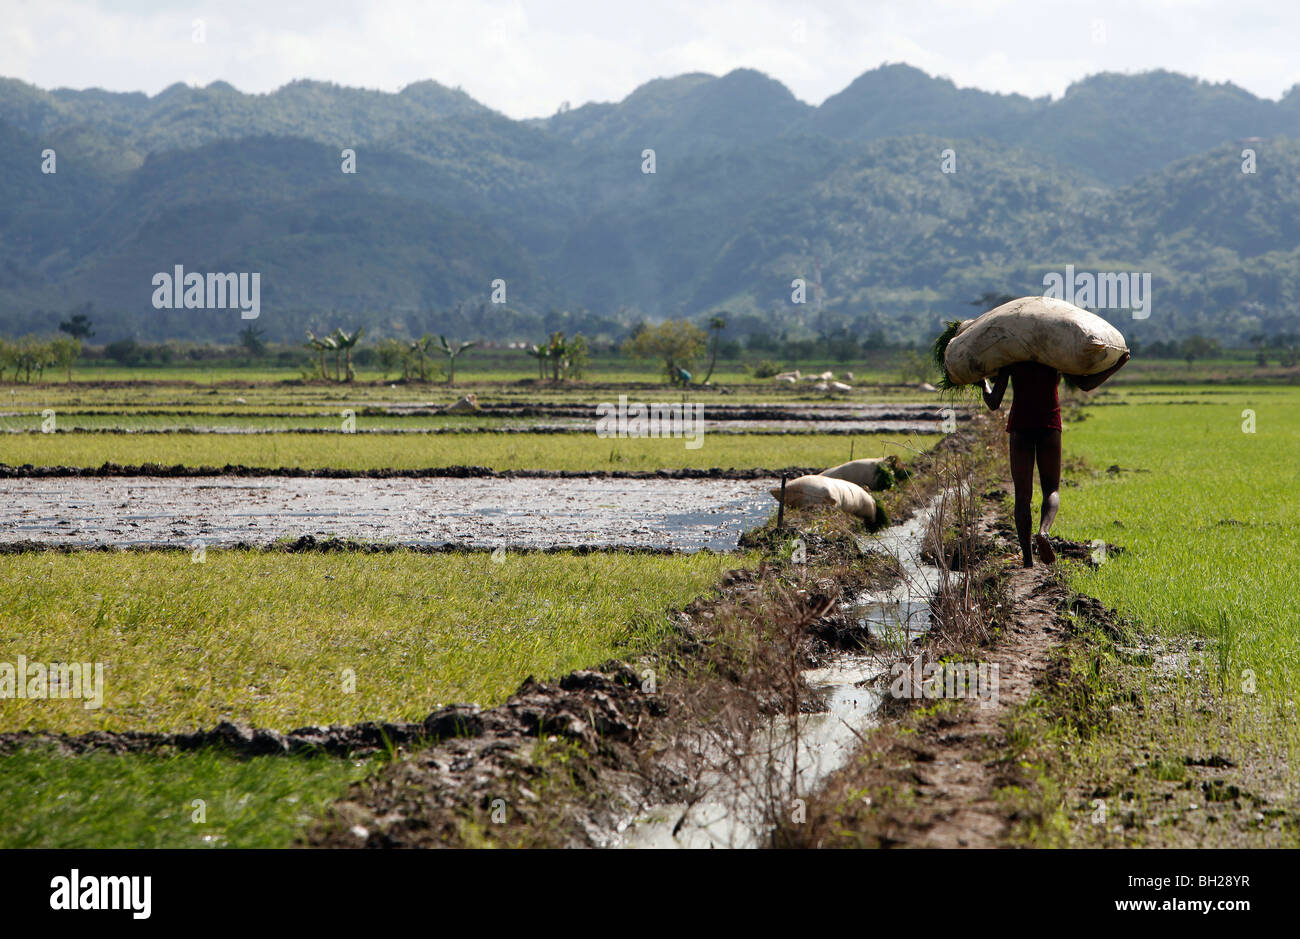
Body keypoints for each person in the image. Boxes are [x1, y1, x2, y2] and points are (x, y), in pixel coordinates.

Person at [982, 352, 1130, 567]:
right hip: (1049, 424)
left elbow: (994, 402)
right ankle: (1044, 532)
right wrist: (1117, 365)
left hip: (1020, 426)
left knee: (1022, 496)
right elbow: (1086, 384)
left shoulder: (1012, 356)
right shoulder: (1055, 353)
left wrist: (982, 382)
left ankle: (1027, 560)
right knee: (1051, 490)